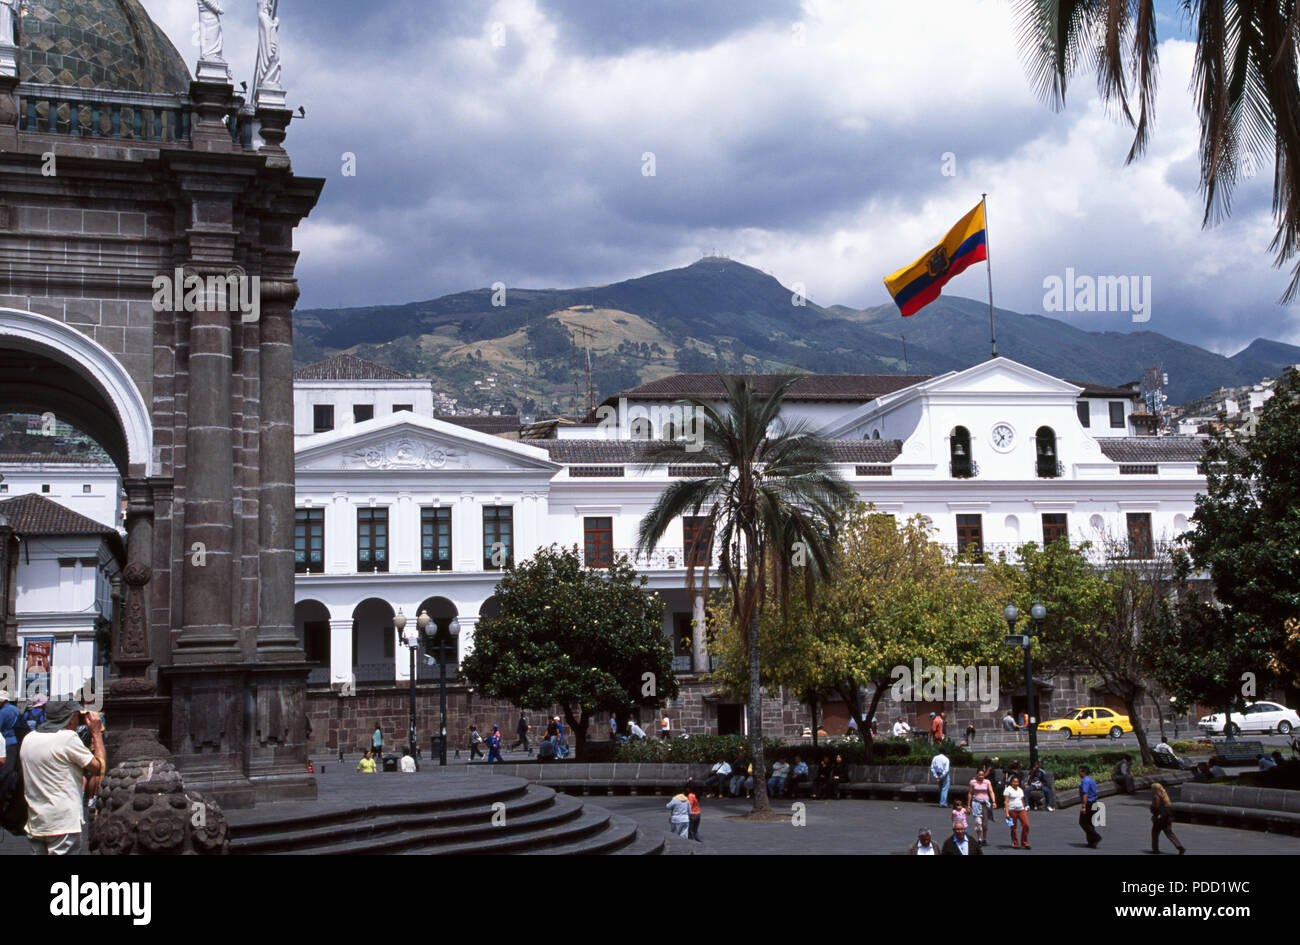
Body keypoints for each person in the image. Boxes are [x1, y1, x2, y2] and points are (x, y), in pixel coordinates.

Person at [20, 700, 105, 855]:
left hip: (37, 821)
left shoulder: (29, 739)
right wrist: (96, 734)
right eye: (77, 717)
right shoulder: (68, 738)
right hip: (62, 822)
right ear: (70, 718)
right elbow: (98, 767)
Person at [1150, 782, 1186, 854]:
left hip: (1159, 818)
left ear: (1154, 789)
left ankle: (1155, 849)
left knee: (1155, 833)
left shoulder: (1156, 796)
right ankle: (1179, 846)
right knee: (1169, 833)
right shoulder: (1165, 795)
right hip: (1167, 817)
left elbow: (1156, 807)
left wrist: (1151, 808)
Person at [968, 767, 996, 844]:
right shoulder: (973, 782)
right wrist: (969, 805)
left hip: (985, 804)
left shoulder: (987, 782)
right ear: (977, 775)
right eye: (979, 775)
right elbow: (970, 793)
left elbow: (991, 791)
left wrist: (993, 802)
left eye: (982, 775)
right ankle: (979, 838)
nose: (981, 776)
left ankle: (984, 838)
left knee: (985, 824)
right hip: (976, 803)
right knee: (978, 823)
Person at [1079, 765, 1102, 848]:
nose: (1079, 773)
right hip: (1094, 802)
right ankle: (1091, 842)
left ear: (1083, 772)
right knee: (1090, 823)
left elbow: (1085, 794)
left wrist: (1084, 806)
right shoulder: (1091, 780)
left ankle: (1096, 836)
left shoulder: (1085, 781)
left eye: (1080, 771)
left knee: (1083, 822)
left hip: (1089, 803)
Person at [1005, 774, 1030, 849]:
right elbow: (1006, 802)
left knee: (1026, 825)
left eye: (1017, 782)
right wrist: (1006, 813)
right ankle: (1015, 842)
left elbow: (1022, 800)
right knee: (1013, 827)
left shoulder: (1020, 790)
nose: (1016, 783)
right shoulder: (1008, 790)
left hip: (1021, 809)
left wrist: (1024, 808)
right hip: (1012, 810)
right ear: (1011, 782)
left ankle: (1024, 842)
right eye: (1014, 782)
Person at [0, 690, 19, 773]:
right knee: (10, 767)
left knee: (5, 769)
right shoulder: (15, 709)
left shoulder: (3, 712)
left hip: (5, 742)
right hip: (14, 741)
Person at [684, 778, 702, 842]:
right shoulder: (696, 794)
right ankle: (701, 841)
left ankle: (694, 844)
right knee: (695, 831)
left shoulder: (690, 795)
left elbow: (690, 806)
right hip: (698, 814)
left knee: (691, 832)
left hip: (692, 815)